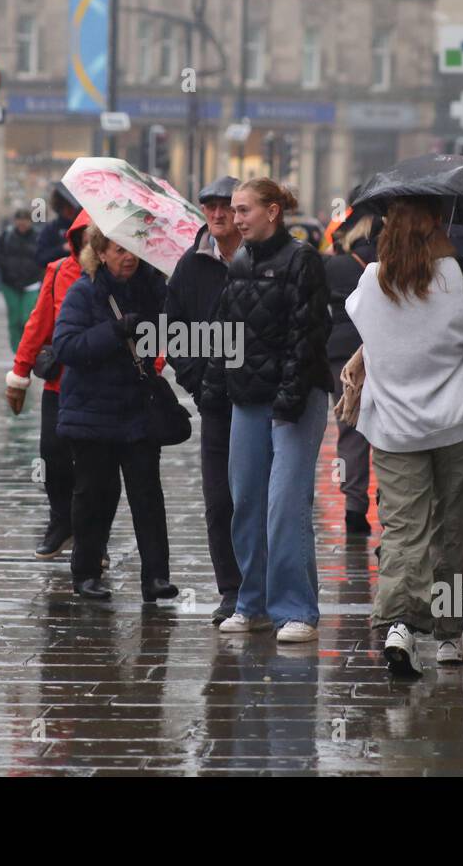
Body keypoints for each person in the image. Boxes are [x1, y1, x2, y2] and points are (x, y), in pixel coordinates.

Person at [345, 197, 463, 675]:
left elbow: (367, 333)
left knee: (402, 529)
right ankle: (450, 638)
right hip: (457, 424)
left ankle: (399, 625)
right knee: (453, 530)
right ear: (435, 221)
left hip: (393, 429)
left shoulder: (373, 279)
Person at [200, 178, 333, 644]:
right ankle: (250, 603)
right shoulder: (239, 263)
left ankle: (296, 608)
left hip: (296, 399)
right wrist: (213, 390)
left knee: (285, 504)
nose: (236, 219)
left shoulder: (303, 260)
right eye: (234, 211)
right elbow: (223, 334)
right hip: (246, 399)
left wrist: (290, 398)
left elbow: (308, 333)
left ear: (273, 211)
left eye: (244, 210)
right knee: (247, 503)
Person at [51, 225, 176, 602]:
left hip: (138, 410)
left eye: (134, 249)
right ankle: (86, 572)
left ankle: (156, 577)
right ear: (100, 253)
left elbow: (172, 333)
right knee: (95, 495)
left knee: (148, 496)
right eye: (119, 250)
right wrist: (116, 330)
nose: (128, 257)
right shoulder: (83, 292)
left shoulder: (153, 290)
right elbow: (66, 347)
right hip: (91, 414)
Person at [164, 175, 244, 625]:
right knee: (219, 499)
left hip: (259, 399)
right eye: (209, 206)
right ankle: (230, 589)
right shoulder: (191, 266)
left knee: (260, 496)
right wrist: (195, 379)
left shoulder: (263, 261)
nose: (216, 214)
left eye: (226, 206)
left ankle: (261, 585)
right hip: (214, 400)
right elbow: (172, 326)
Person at [5, 213, 89, 560]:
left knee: (92, 468)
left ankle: (90, 537)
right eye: (83, 239)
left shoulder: (122, 273)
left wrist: (153, 366)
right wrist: (19, 373)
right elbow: (38, 324)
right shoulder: (58, 271)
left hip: (101, 386)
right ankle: (60, 521)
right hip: (58, 383)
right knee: (52, 456)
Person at [324, 212, 378, 535]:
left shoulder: (337, 265)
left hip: (343, 357)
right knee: (391, 429)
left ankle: (354, 506)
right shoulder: (394, 259)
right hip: (384, 352)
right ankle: (389, 504)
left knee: (350, 432)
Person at [0, 207, 44, 352]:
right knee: (14, 319)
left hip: (31, 283)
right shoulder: (6, 236)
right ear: (15, 221)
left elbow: (44, 256)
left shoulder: (38, 237)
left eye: (25, 220)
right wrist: (6, 266)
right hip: (10, 284)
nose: (22, 223)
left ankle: (27, 349)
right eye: (19, 220)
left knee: (27, 318)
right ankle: (17, 351)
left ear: (30, 222)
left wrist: (36, 269)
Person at [35, 185, 81, 268]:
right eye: (66, 206)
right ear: (60, 207)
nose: (70, 210)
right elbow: (41, 258)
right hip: (58, 276)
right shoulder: (50, 229)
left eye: (72, 206)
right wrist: (62, 249)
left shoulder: (83, 228)